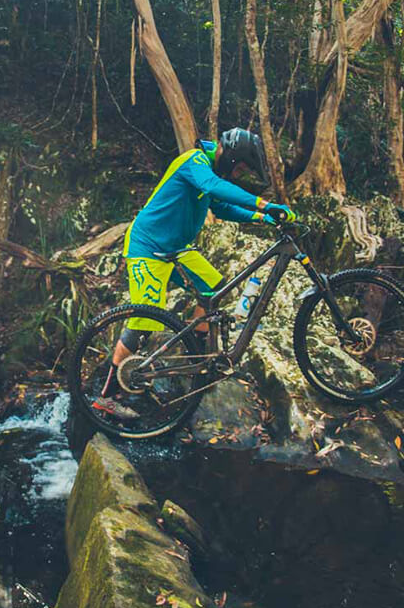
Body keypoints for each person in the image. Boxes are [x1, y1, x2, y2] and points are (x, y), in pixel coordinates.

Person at [93, 127, 292, 420]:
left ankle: (197, 355)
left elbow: (221, 206)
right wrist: (262, 202)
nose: (238, 174)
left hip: (177, 248)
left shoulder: (210, 171)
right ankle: (107, 396)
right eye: (239, 167)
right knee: (145, 316)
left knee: (213, 287)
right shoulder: (195, 161)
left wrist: (263, 216)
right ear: (229, 158)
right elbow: (213, 188)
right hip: (148, 248)